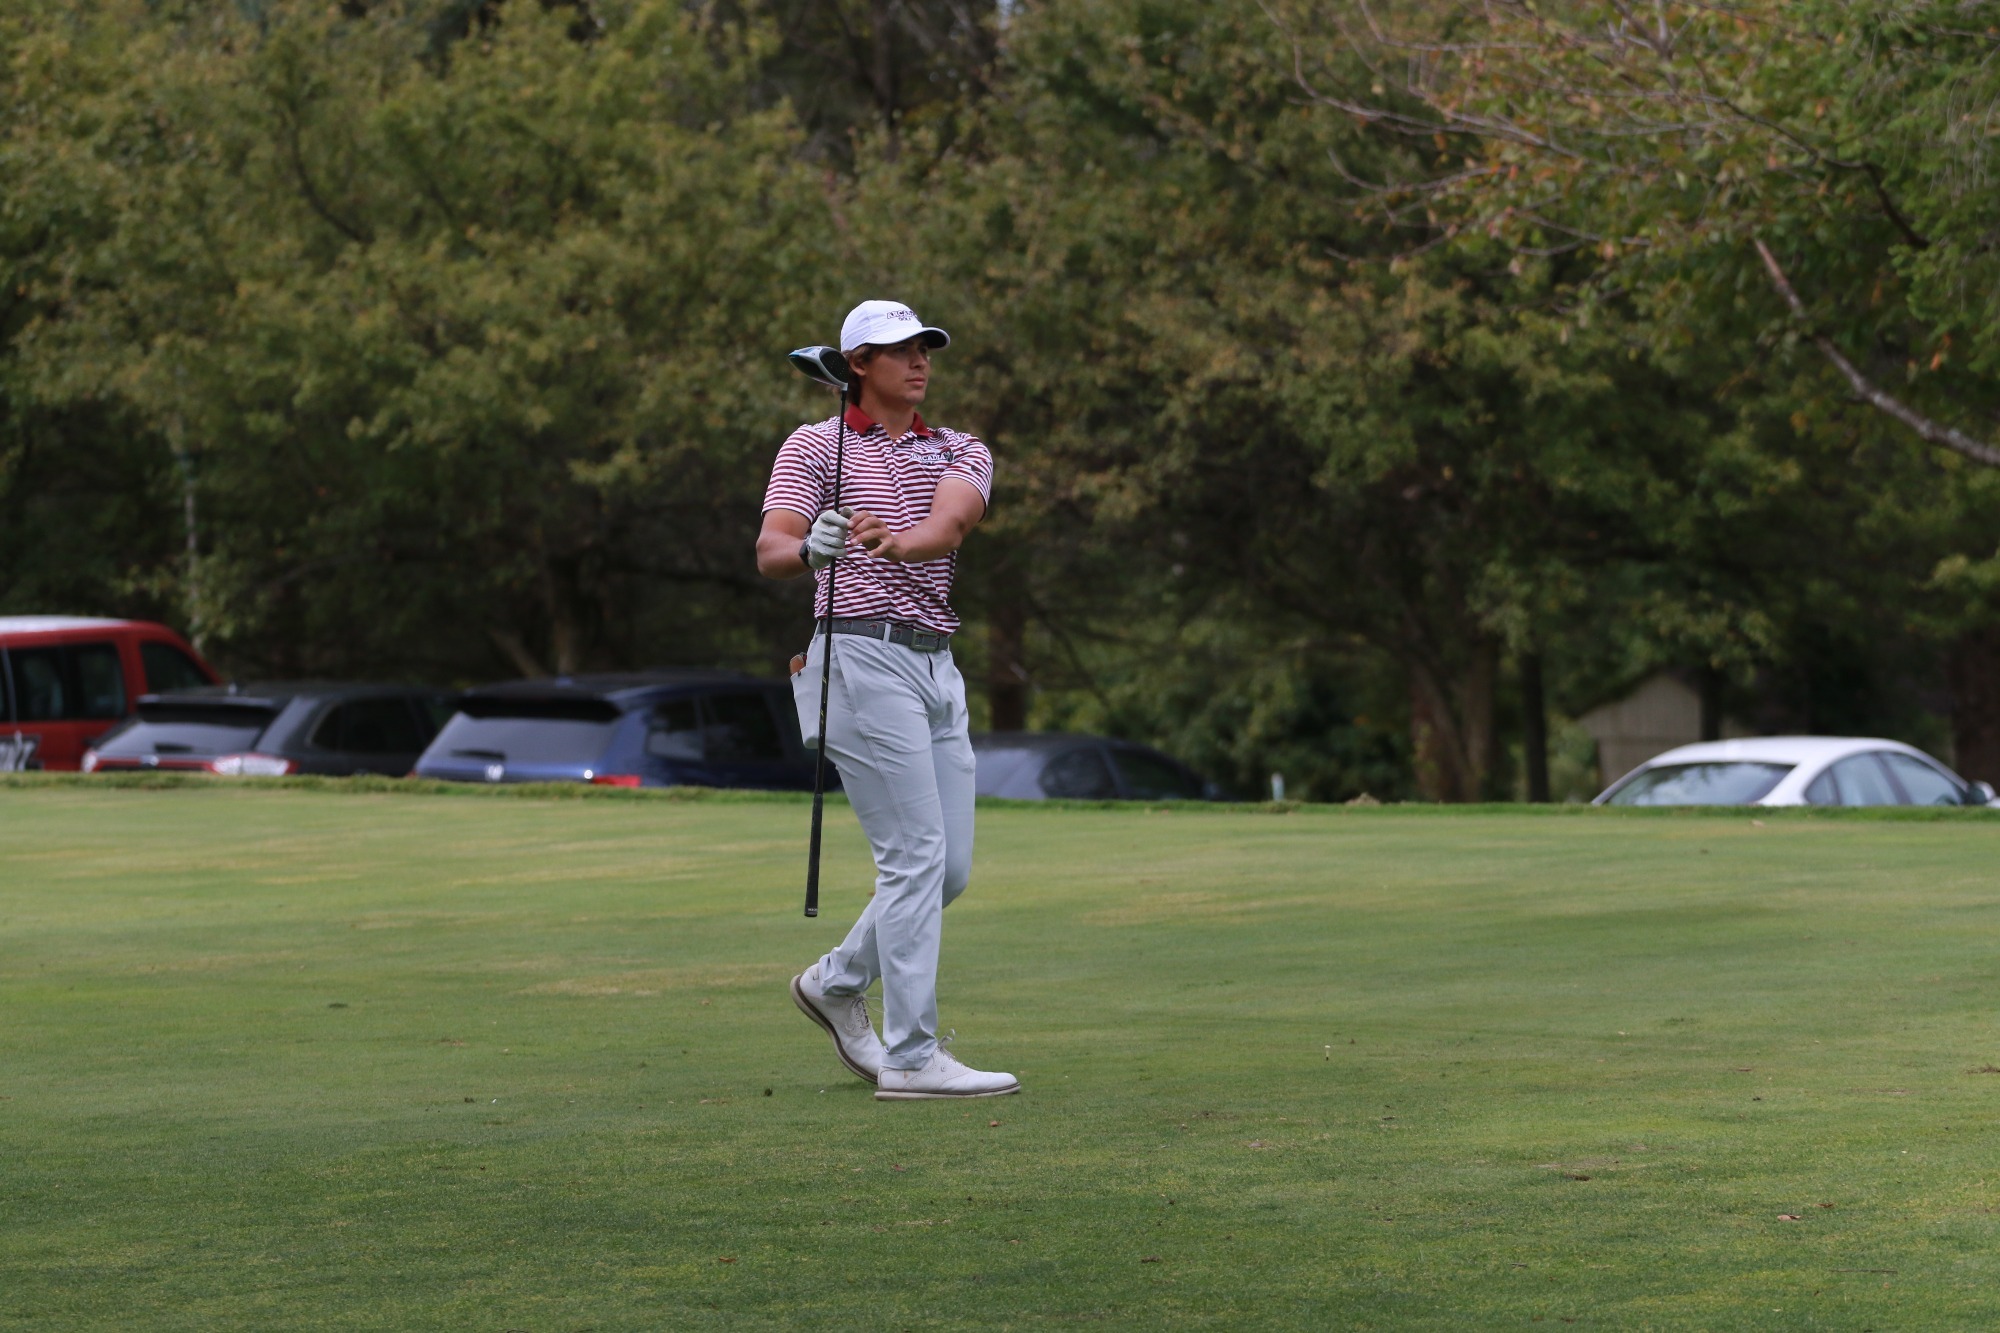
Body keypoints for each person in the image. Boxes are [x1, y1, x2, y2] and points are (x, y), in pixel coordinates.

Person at [755, 299, 1019, 1101]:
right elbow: (772, 550)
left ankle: (835, 982)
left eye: (924, 348)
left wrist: (895, 539)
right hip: (859, 657)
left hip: (937, 666)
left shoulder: (959, 448)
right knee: (913, 859)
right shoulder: (814, 444)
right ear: (857, 366)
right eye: (898, 350)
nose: (920, 361)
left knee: (949, 868)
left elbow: (949, 526)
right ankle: (909, 1056)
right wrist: (814, 546)